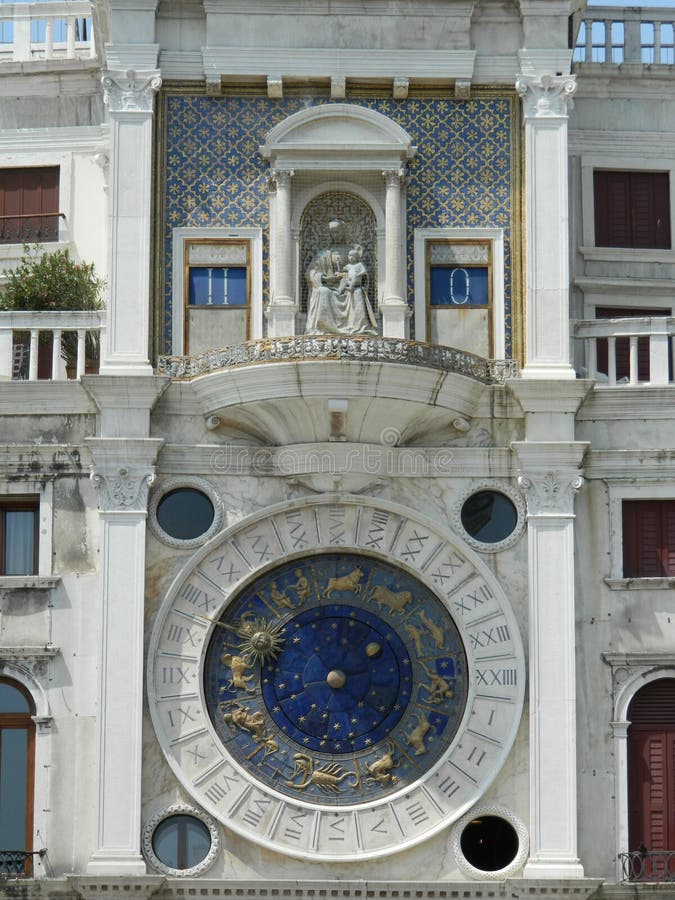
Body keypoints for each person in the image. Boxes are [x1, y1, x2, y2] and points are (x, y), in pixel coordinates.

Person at [305, 243, 377, 335]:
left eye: (338, 231)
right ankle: (325, 328)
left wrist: (354, 278)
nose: (336, 234)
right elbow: (311, 272)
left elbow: (359, 274)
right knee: (323, 291)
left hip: (350, 287)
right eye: (333, 232)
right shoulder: (323, 254)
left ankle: (357, 328)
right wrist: (324, 278)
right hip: (330, 286)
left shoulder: (353, 252)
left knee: (358, 292)